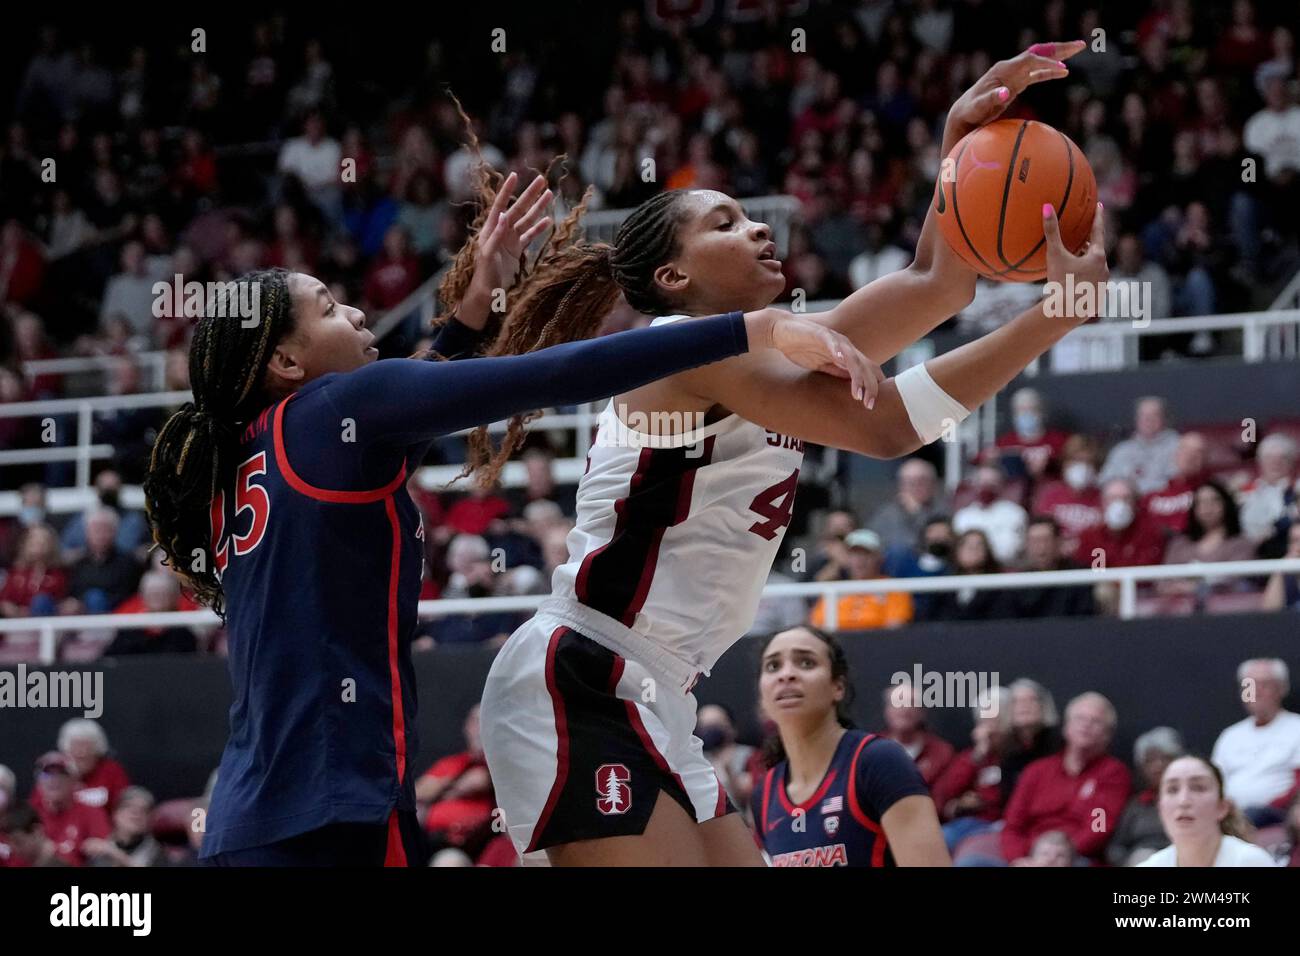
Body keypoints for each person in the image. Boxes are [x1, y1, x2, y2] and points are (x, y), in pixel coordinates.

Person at [477, 43, 1103, 866]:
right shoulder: (679, 350)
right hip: (582, 673)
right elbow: (887, 429)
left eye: (750, 213)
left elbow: (938, 284)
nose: (760, 224)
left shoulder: (769, 352)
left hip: (659, 686)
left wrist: (959, 147)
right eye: (725, 222)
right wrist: (1051, 321)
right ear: (671, 275)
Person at [141, 171, 871, 867]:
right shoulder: (340, 411)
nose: (358, 312)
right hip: (333, 800)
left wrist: (476, 304)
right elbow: (548, 375)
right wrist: (753, 329)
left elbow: (415, 392)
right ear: (288, 363)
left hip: (248, 812)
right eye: (330, 310)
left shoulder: (248, 459)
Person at [752, 626, 949, 866]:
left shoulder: (879, 762)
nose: (786, 675)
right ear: (763, 695)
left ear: (838, 687)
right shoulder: (765, 793)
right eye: (773, 666)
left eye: (805, 663)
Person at [1000, 692, 1131, 865]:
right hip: (1029, 855)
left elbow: (1099, 827)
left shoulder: (1113, 773)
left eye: (1096, 721)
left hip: (1078, 856)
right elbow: (1012, 825)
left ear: (1107, 735)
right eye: (1080, 718)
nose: (1086, 725)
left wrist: (1058, 856)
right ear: (1066, 726)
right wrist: (1018, 858)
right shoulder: (1037, 770)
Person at [1139, 756, 1276, 867]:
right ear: (1160, 808)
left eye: (1198, 787)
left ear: (1222, 807)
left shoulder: (1251, 862)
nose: (1183, 801)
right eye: (1173, 789)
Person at [1211, 658, 1300, 828]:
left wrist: (1270, 807)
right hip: (1230, 816)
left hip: (1276, 816)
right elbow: (1214, 782)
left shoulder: (1297, 728)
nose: (1256, 691)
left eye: (1264, 685)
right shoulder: (1230, 736)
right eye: (1248, 685)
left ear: (1281, 689)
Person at [931, 688, 1011, 853]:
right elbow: (948, 791)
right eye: (984, 722)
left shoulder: (1014, 755)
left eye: (995, 721)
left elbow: (1002, 796)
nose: (989, 730)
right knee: (935, 841)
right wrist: (977, 756)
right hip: (967, 822)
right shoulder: (971, 757)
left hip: (998, 824)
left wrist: (981, 800)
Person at [808, 529, 913, 631]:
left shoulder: (894, 588)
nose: (860, 559)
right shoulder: (834, 589)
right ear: (847, 558)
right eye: (854, 554)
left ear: (879, 558)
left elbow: (895, 630)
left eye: (866, 553)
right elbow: (817, 626)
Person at [1108, 726, 1184, 866]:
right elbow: (1115, 848)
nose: (1157, 766)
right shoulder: (1136, 805)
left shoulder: (1189, 799)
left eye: (1164, 758)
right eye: (1150, 761)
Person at [1030, 433, 1103, 556]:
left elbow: (1105, 538)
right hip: (1057, 560)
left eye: (1088, 462)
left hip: (1092, 558)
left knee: (1100, 561)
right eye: (1076, 461)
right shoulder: (1050, 494)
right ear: (1065, 463)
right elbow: (1040, 530)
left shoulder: (1103, 497)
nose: (1082, 467)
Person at [1010, 517, 1095, 617]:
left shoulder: (1079, 577)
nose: (1041, 547)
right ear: (1026, 545)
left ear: (1058, 542)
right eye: (1035, 541)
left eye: (1046, 540)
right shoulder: (1017, 583)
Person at [919, 529, 1010, 622]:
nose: (973, 549)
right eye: (967, 545)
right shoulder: (944, 586)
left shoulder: (998, 587)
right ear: (957, 551)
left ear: (987, 551)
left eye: (979, 545)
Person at [1075, 478, 1166, 568]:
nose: (1119, 504)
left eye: (1126, 499)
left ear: (1135, 503)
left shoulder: (1150, 535)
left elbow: (1146, 572)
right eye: (1112, 498)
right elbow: (1094, 573)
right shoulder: (1090, 538)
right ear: (1102, 503)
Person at [1098, 396, 1180, 495]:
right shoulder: (1122, 449)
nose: (1147, 420)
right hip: (1127, 504)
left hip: (1163, 503)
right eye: (1143, 415)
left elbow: (1176, 482)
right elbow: (1105, 481)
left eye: (1154, 415)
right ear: (1136, 419)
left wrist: (1137, 490)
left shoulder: (1178, 446)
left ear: (1165, 418)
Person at [881, 681, 956, 786]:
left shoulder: (941, 752)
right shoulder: (871, 750)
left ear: (922, 712)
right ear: (887, 711)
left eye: (912, 703)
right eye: (898, 702)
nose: (905, 709)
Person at [866, 458, 948, 552]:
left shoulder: (943, 510)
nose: (916, 486)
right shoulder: (885, 515)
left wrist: (917, 512)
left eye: (922, 481)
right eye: (910, 482)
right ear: (900, 485)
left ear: (933, 484)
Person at [952, 463, 1028, 564]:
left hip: (1006, 571)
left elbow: (1017, 548)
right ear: (974, 485)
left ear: (1001, 485)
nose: (986, 488)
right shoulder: (962, 516)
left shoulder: (1016, 513)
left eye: (991, 484)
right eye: (982, 483)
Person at [1141, 432, 1209, 535]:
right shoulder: (1152, 496)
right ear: (1175, 455)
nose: (1190, 457)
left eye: (1197, 452)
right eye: (1185, 450)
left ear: (1205, 459)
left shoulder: (1211, 495)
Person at [83, 786, 164, 867]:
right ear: (115, 814)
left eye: (144, 810)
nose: (136, 814)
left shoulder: (157, 850)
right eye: (129, 807)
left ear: (150, 820)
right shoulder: (100, 848)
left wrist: (114, 852)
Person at [1262, 522, 1300, 611]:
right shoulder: (1284, 574)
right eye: (1294, 541)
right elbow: (1269, 614)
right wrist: (1279, 571)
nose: (1299, 546)